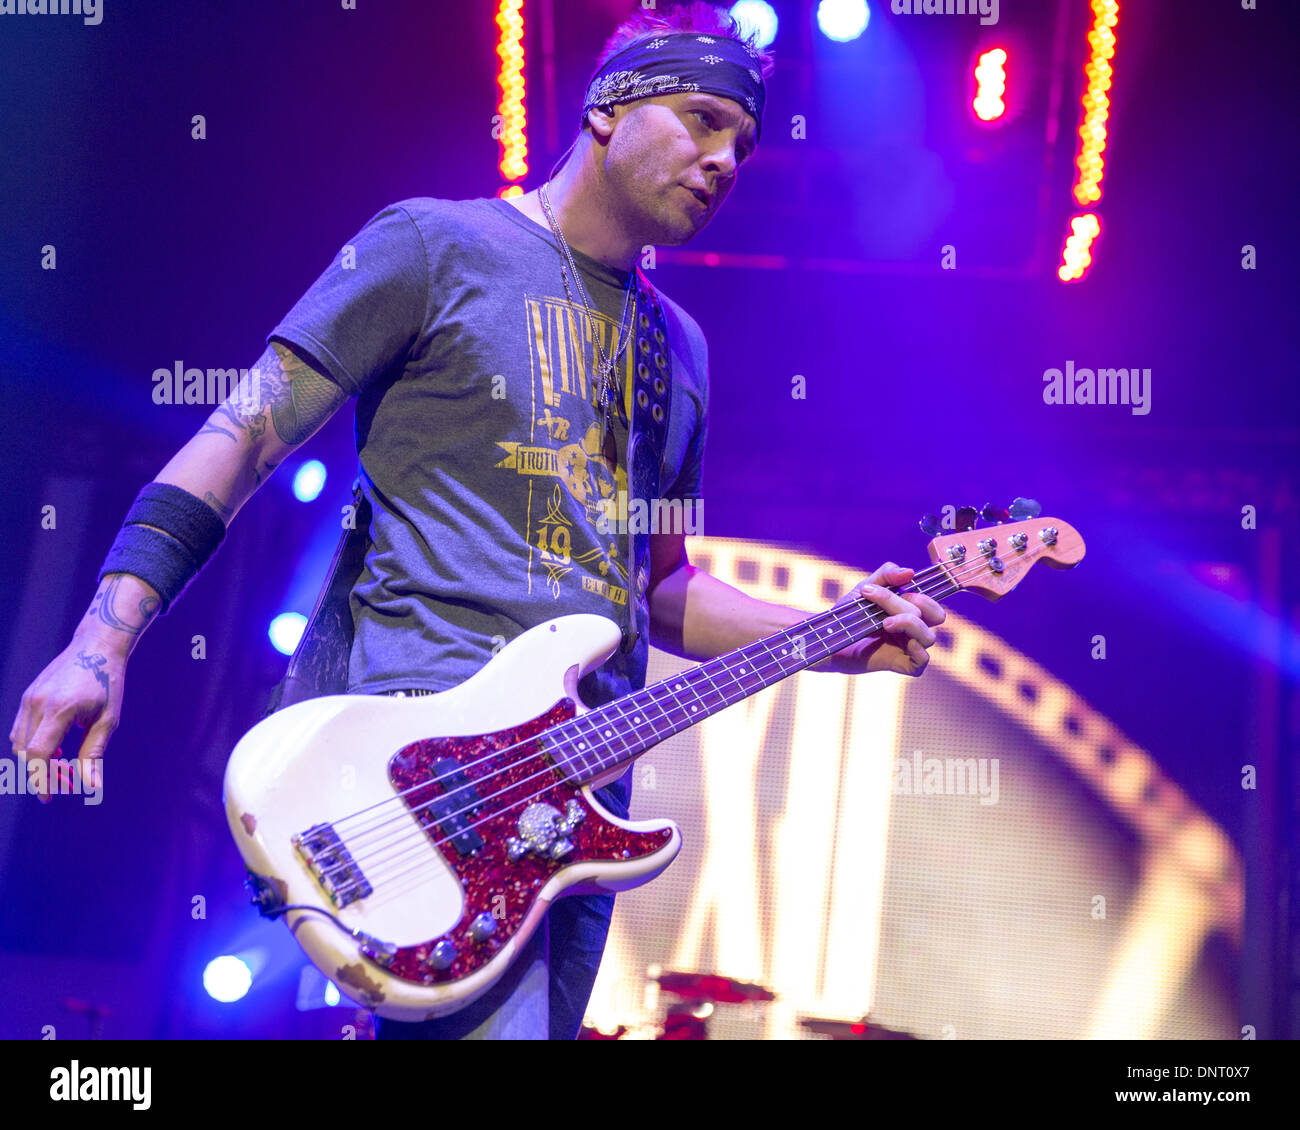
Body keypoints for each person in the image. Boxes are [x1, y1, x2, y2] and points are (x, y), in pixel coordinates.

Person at [9, 2, 944, 1040]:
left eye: (744, 144)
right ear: (606, 107)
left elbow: (659, 588)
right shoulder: (432, 245)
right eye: (700, 119)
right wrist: (102, 637)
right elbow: (242, 436)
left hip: (573, 787)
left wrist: (832, 637)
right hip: (415, 766)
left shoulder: (681, 352)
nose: (724, 160)